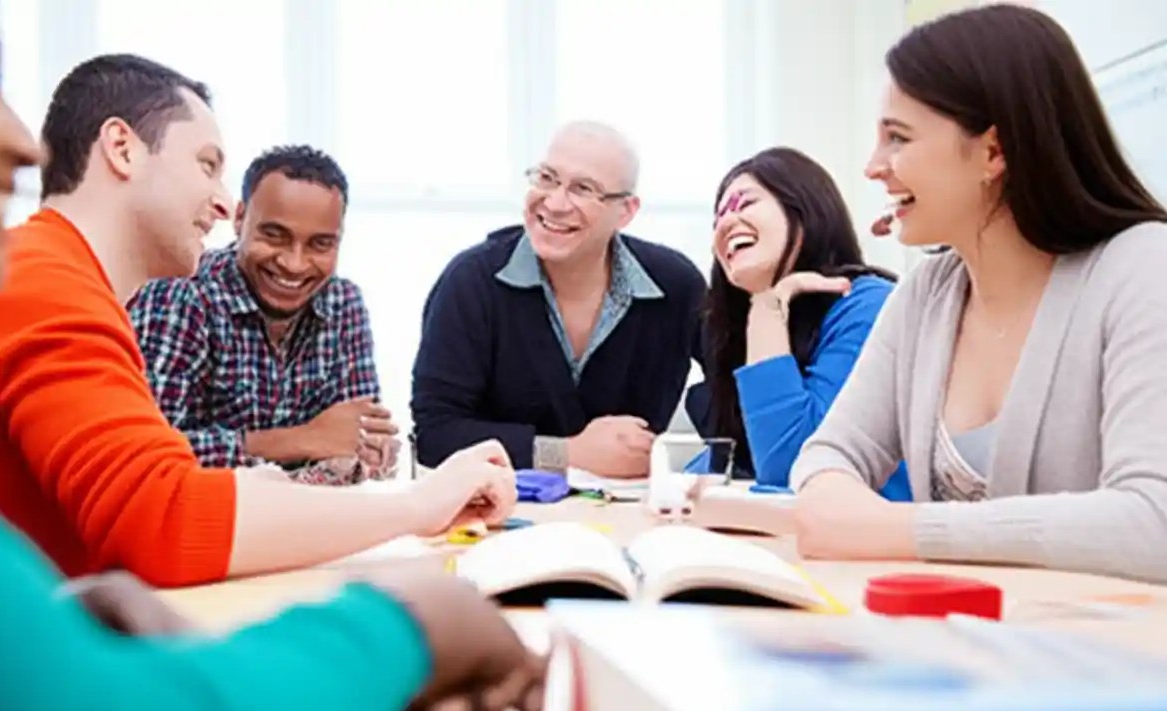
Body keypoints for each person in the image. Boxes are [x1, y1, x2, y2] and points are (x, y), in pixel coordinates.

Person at [0, 0, 542, 711]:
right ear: (122, 148)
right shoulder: (38, 277)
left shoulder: (58, 279)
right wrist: (418, 533)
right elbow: (163, 516)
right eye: (207, 163)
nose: (225, 203)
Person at [789, 4, 1167, 583]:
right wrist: (833, 500)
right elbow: (827, 456)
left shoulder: (1143, 266)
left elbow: (1153, 524)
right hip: (975, 652)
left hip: (1115, 663)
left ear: (994, 151)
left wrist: (906, 532)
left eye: (898, 137)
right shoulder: (926, 293)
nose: (872, 166)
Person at [412, 121, 707, 479]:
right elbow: (436, 434)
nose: (554, 202)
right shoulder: (471, 282)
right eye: (547, 178)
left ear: (626, 211)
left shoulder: (675, 285)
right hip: (499, 515)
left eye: (583, 188)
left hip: (632, 513)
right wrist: (568, 453)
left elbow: (737, 394)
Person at [129, 145, 399, 485]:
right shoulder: (181, 296)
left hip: (306, 525)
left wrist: (372, 453)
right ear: (239, 219)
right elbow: (141, 455)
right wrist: (300, 440)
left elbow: (353, 447)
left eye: (320, 244)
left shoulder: (343, 303)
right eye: (274, 236)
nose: (294, 263)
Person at [682, 148, 910, 500]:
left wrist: (766, 307)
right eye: (719, 217)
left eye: (744, 204)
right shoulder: (751, 327)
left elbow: (791, 468)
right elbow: (741, 458)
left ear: (803, 210)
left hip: (872, 540)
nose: (725, 223)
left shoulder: (868, 304)